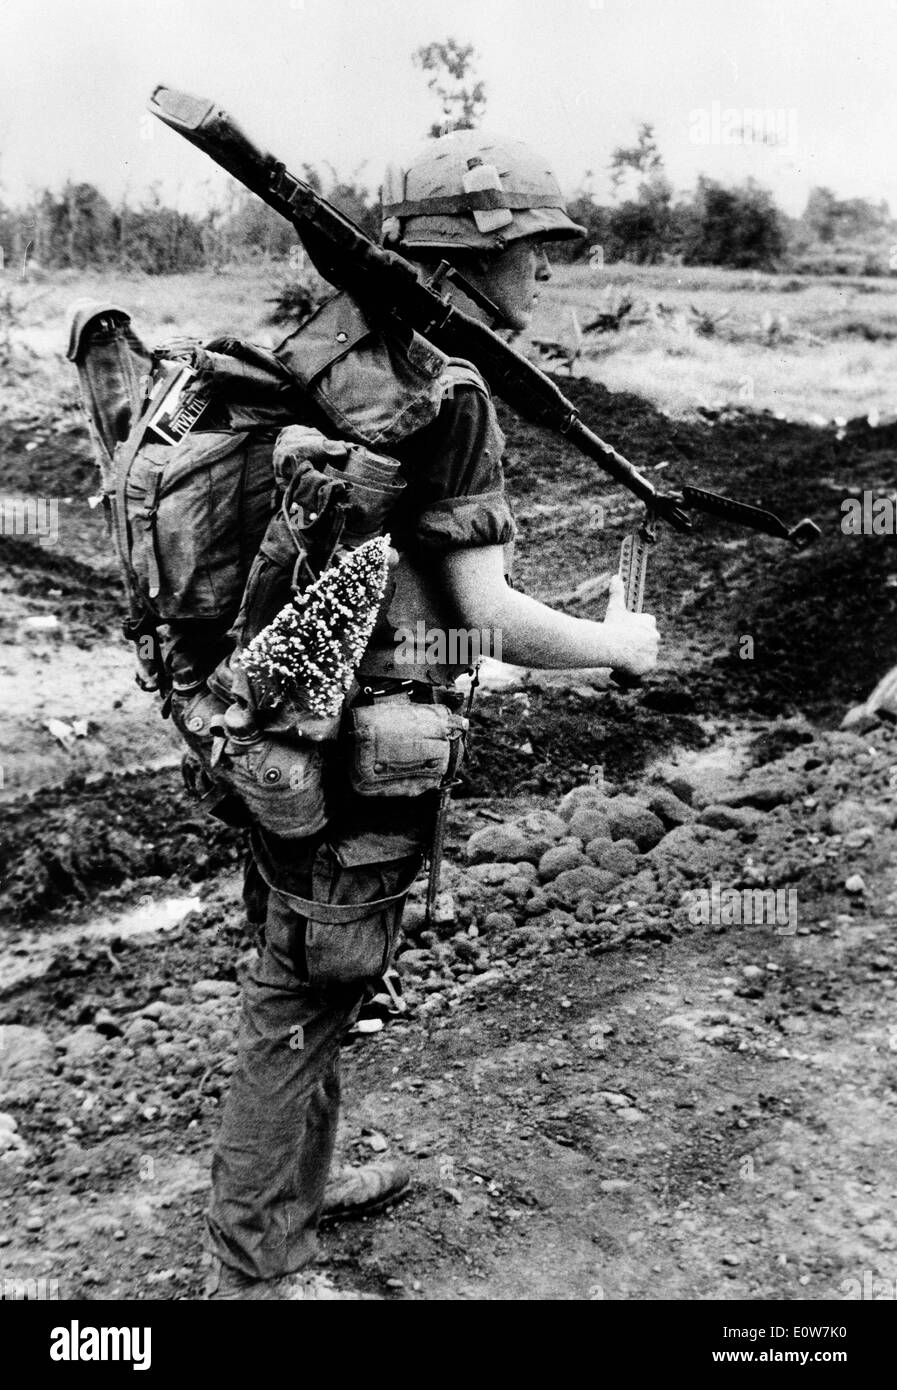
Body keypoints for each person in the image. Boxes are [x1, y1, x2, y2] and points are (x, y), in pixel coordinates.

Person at [202, 128, 660, 1299]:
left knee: (311, 964)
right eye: (534, 251)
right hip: (354, 740)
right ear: (473, 253)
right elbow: (488, 614)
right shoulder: (447, 394)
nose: (545, 273)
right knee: (303, 989)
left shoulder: (332, 340)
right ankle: (257, 1265)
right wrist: (614, 646)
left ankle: (294, 1196)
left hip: (278, 718)